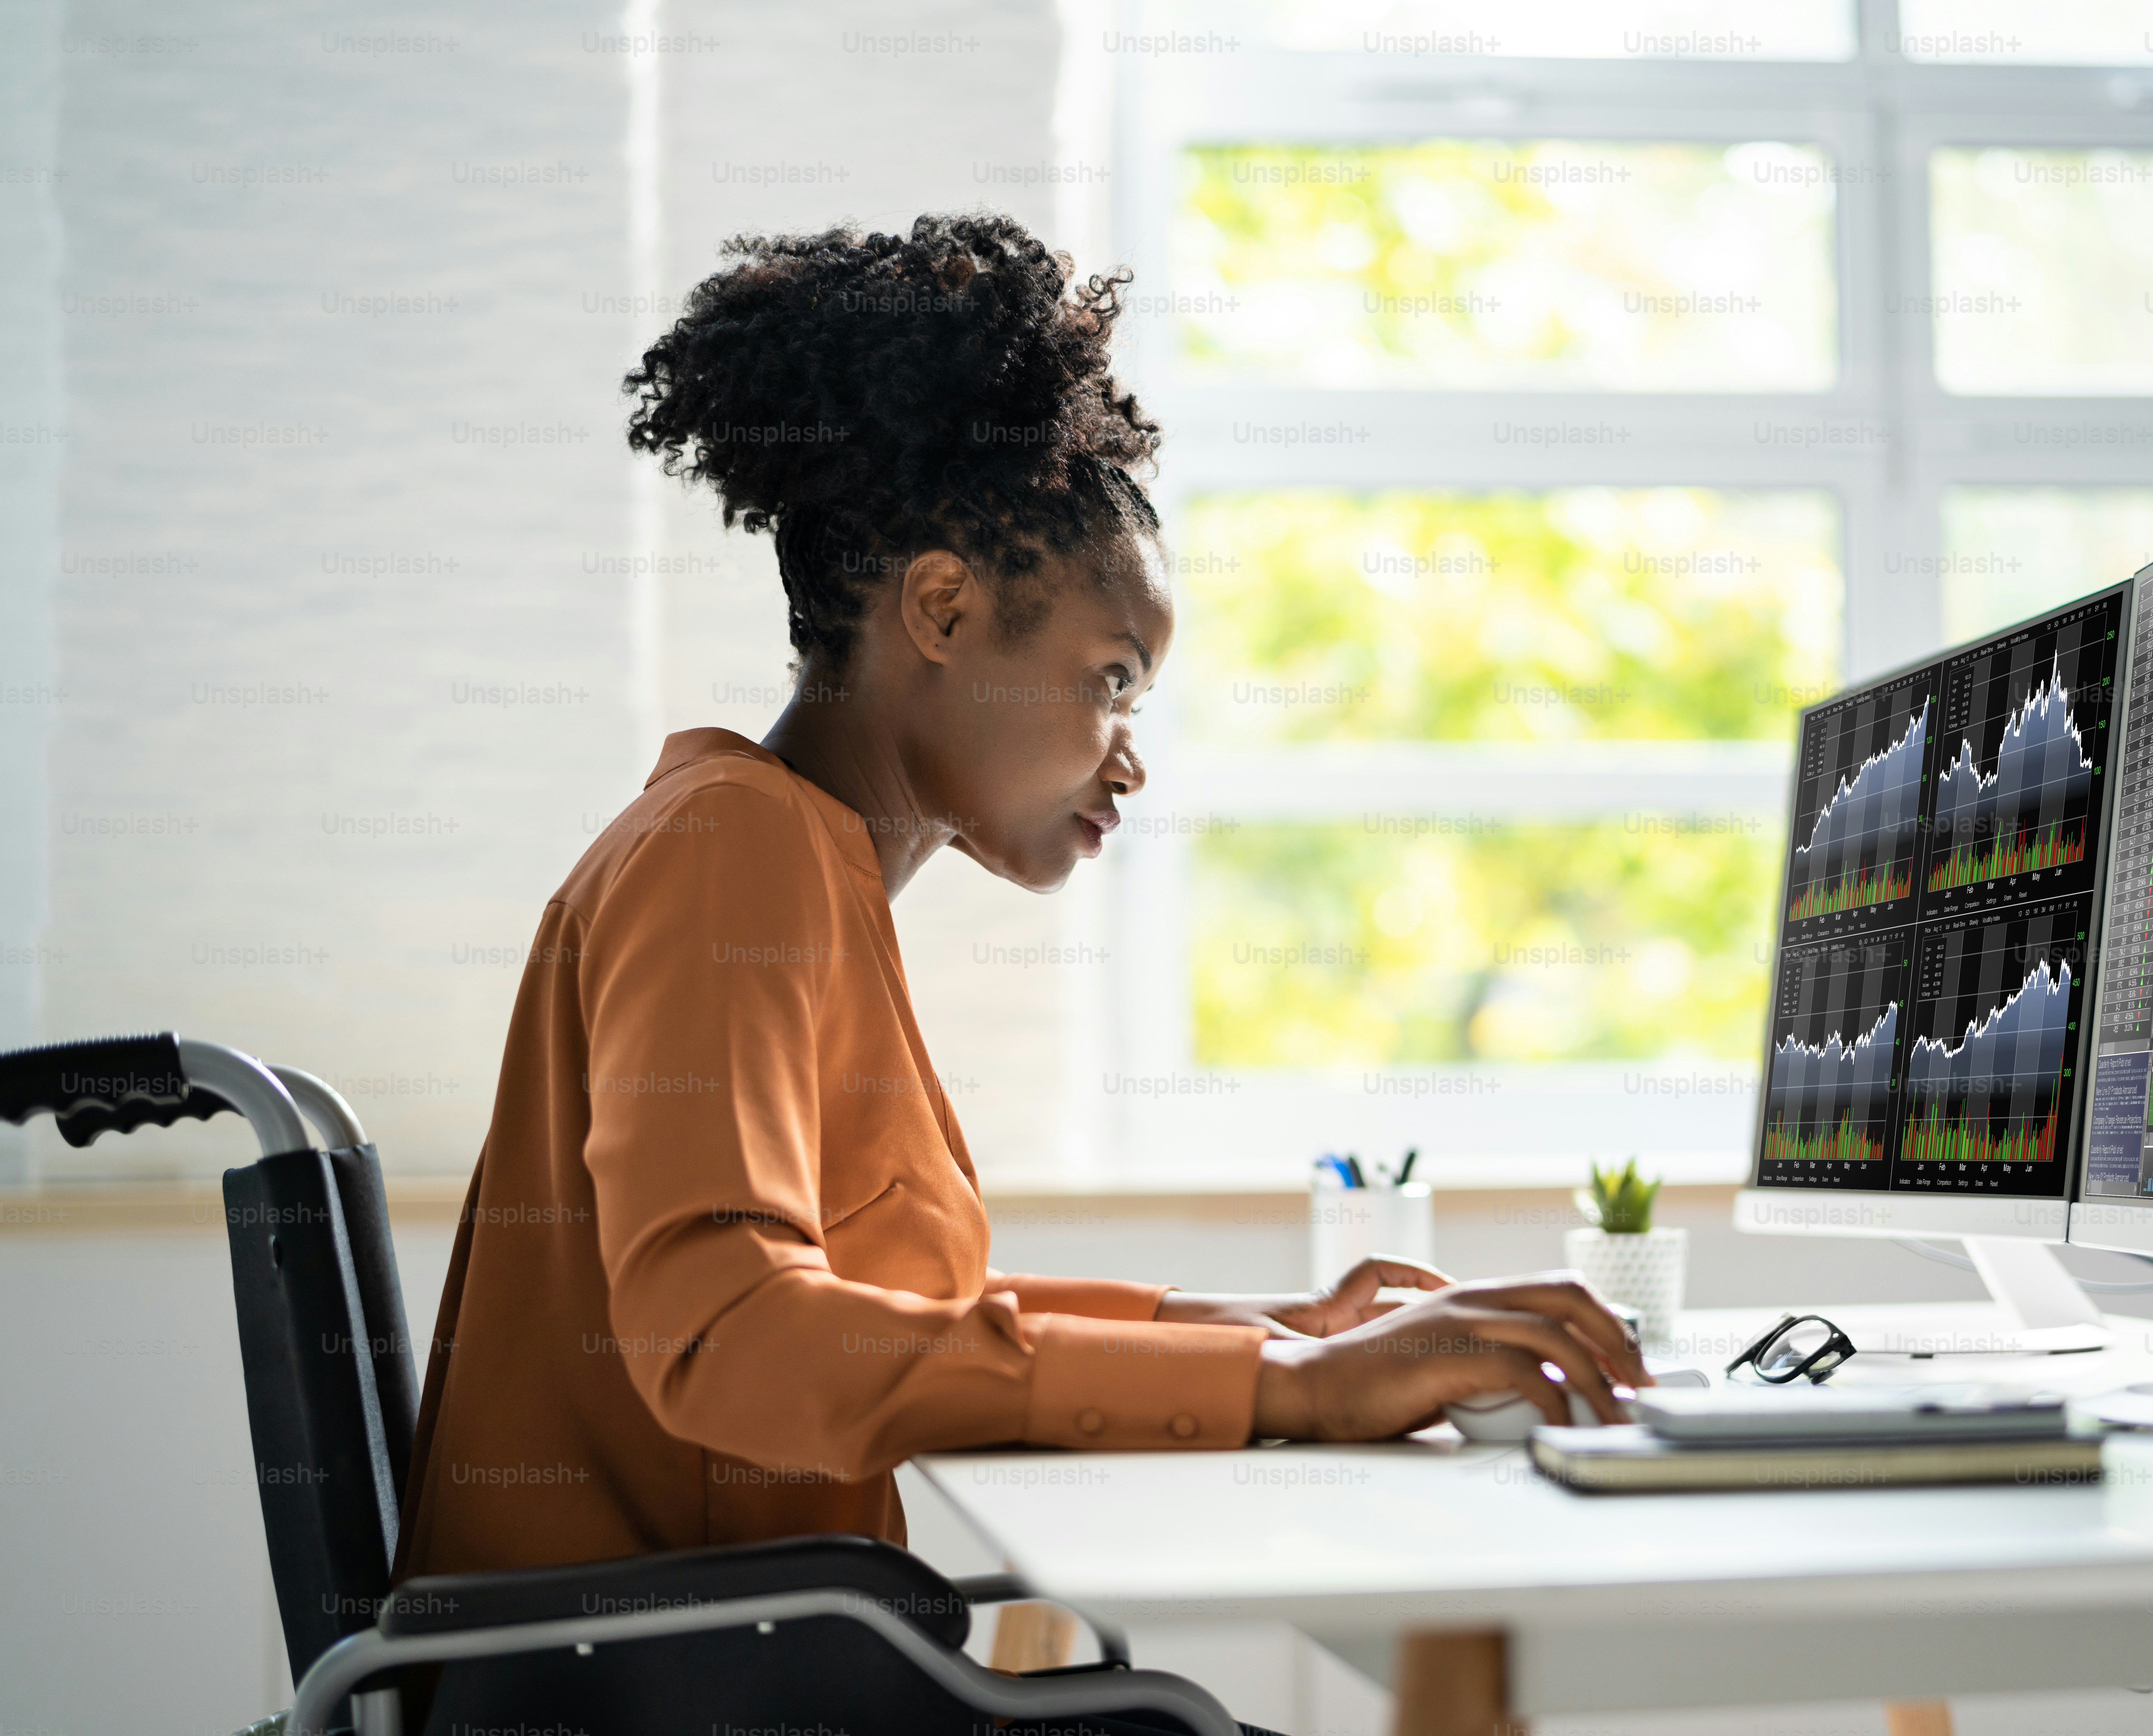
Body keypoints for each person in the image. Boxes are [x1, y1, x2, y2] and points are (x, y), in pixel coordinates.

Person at [393, 213, 1648, 1603]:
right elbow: (732, 1338)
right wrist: (1288, 1387)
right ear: (940, 607)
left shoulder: (786, 862)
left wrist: (1262, 1329)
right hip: (661, 1684)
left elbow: (889, 1318)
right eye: (1111, 677)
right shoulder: (729, 849)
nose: (1130, 752)